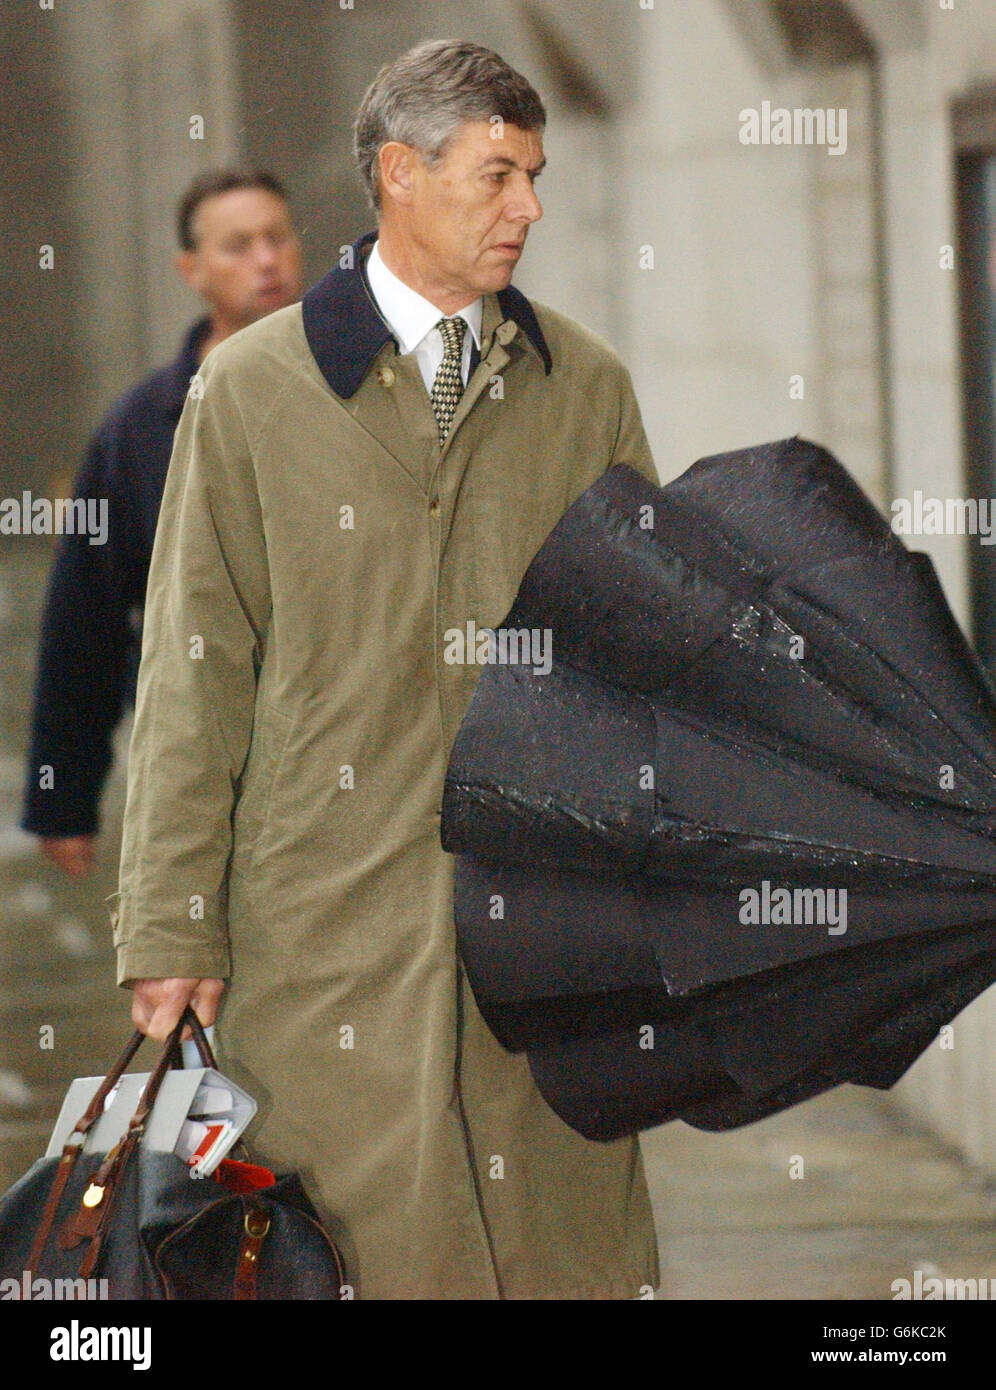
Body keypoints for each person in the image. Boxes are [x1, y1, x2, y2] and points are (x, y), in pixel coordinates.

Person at [112, 39, 661, 1298]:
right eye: (497, 174)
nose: (528, 206)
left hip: (548, 936)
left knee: (563, 1252)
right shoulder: (249, 393)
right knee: (356, 1245)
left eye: (536, 174)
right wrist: (170, 917)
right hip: (324, 940)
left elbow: (648, 662)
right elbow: (198, 671)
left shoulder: (585, 388)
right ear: (400, 175)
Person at [20, 170, 302, 877]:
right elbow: (84, 620)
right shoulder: (141, 429)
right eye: (238, 245)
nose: (266, 259)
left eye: (277, 238)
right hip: (201, 758)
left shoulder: (356, 389)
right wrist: (64, 796)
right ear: (192, 270)